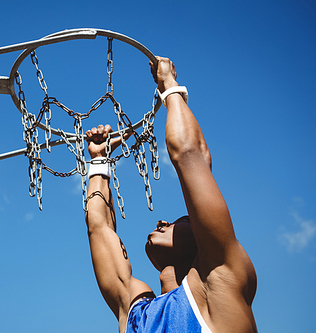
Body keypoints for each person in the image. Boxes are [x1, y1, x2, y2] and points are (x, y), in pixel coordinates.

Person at [84, 56, 257, 333]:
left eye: (181, 220)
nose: (162, 222)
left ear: (202, 236)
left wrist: (169, 86)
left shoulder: (223, 280)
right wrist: (99, 161)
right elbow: (99, 227)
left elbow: (190, 156)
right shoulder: (136, 313)